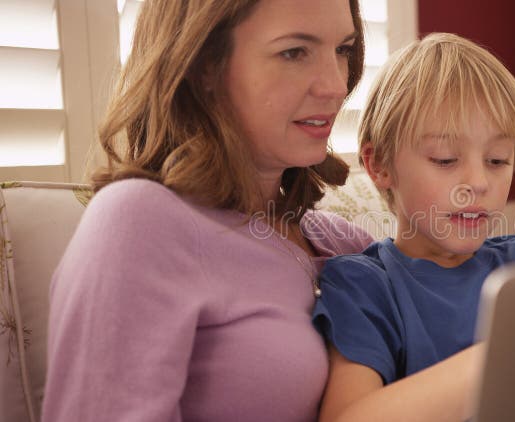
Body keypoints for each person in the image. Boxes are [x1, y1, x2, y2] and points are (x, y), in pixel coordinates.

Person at [42, 1, 373, 421]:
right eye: (294, 52)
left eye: (343, 49)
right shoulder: (139, 222)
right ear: (203, 66)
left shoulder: (348, 243)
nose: (336, 86)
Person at [311, 33, 515, 422]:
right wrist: (507, 354)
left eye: (496, 159)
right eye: (445, 159)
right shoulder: (364, 286)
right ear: (380, 165)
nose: (478, 182)